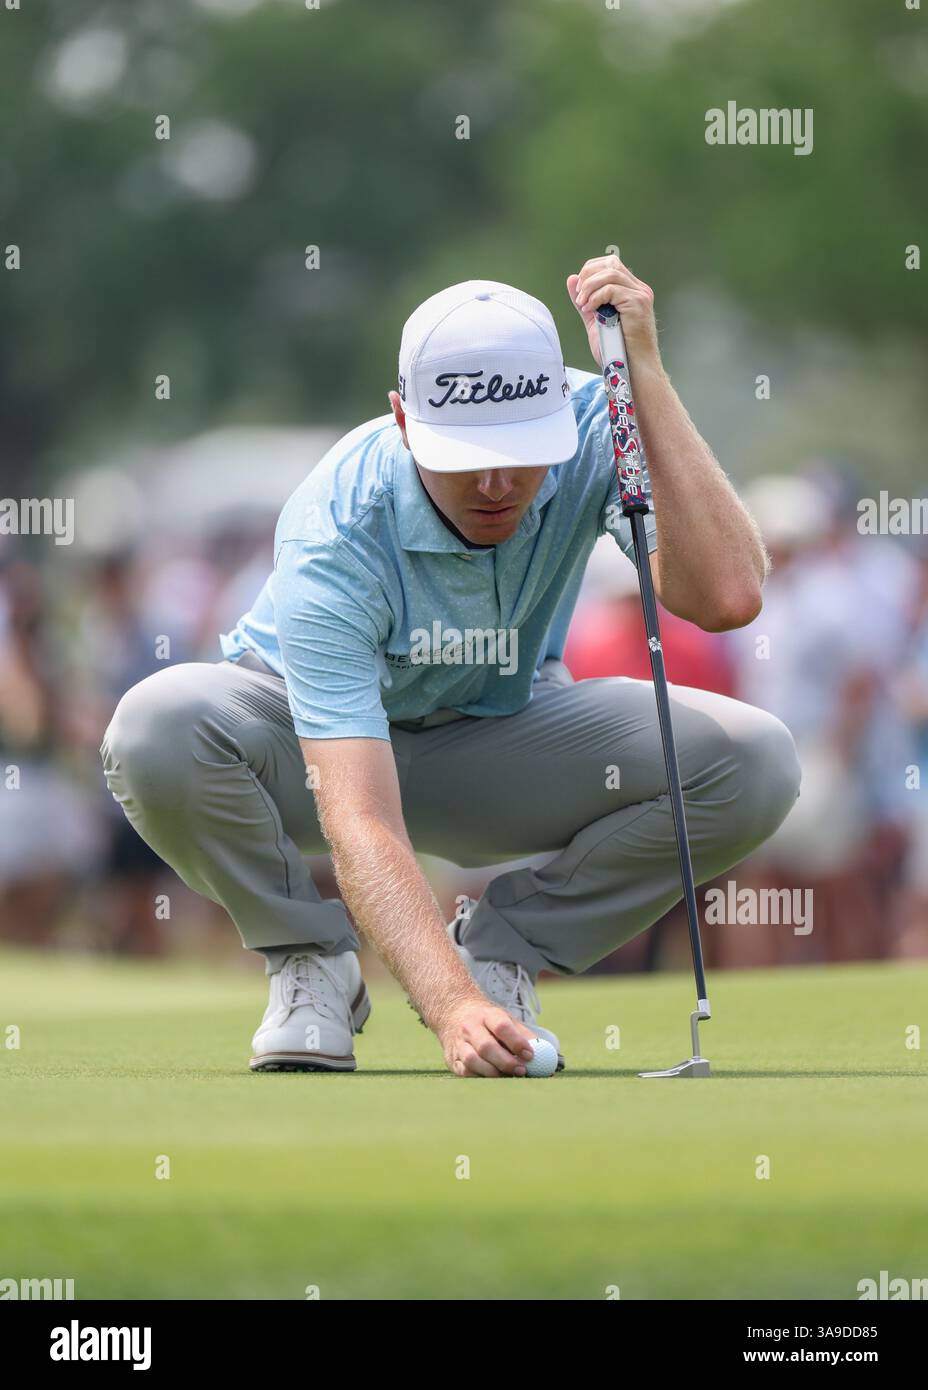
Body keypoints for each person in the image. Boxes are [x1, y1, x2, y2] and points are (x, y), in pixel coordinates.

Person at [101, 254, 800, 1078]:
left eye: (522, 450)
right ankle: (309, 955)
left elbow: (726, 595)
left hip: (499, 743)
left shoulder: (595, 421)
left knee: (754, 761)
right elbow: (358, 814)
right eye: (468, 454)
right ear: (403, 419)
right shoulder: (335, 527)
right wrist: (448, 1010)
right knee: (156, 726)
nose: (499, 482)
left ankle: (502, 950)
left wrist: (643, 374)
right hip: (305, 757)